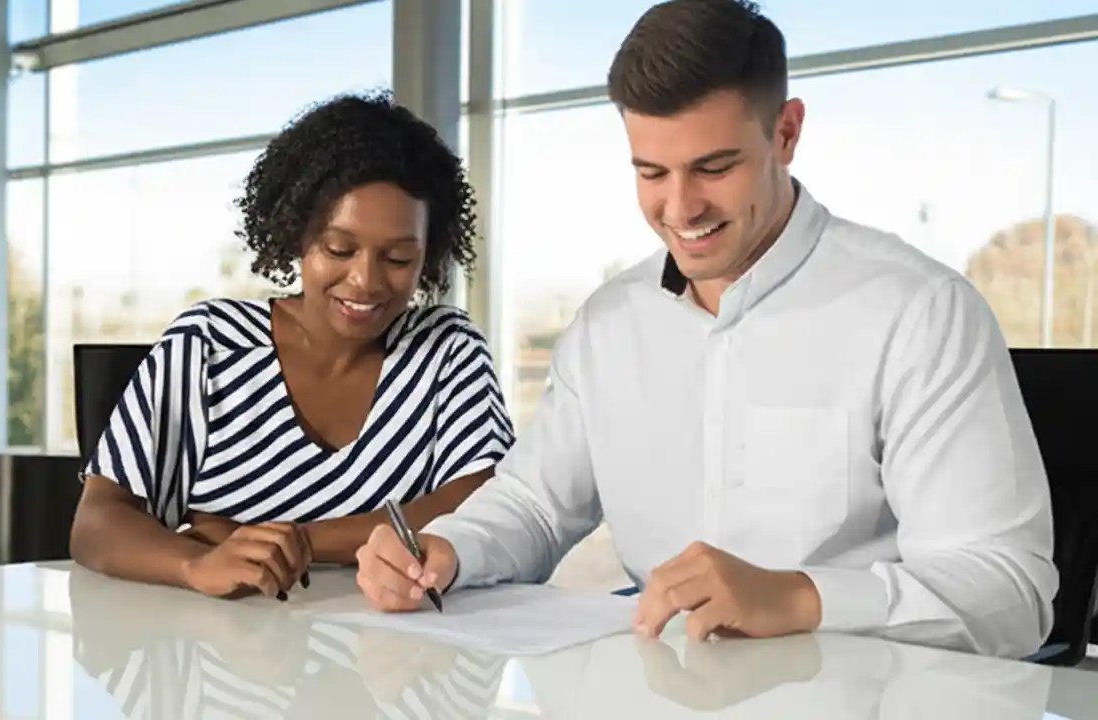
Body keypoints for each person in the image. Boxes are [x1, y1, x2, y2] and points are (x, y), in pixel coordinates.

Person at [353, 0, 1057, 659]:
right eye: (651, 171)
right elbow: (536, 505)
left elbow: (1011, 593)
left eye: (713, 168)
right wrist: (448, 550)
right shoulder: (608, 324)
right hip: (656, 678)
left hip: (854, 688)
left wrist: (802, 596)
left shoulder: (919, 311)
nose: (680, 207)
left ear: (786, 133)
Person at [70, 91, 514, 602]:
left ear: (428, 256)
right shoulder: (210, 346)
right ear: (296, 231)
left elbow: (482, 501)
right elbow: (97, 520)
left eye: (396, 258)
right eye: (339, 249)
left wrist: (297, 540)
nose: (366, 281)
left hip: (393, 657)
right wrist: (199, 563)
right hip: (221, 657)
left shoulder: (447, 350)